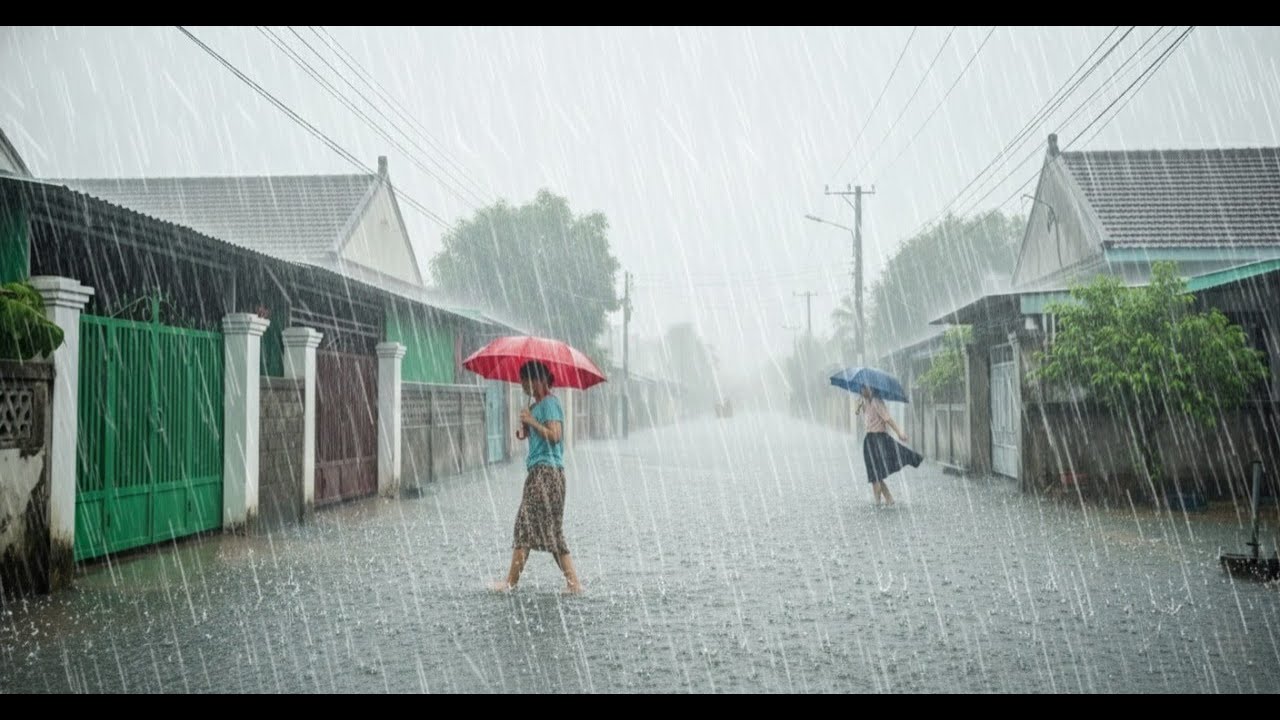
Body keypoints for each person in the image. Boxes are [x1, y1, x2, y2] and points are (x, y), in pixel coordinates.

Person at [490, 361, 583, 594]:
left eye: (525, 381)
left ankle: (510, 583)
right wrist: (525, 430)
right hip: (542, 473)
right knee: (551, 530)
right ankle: (574, 584)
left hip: (547, 474)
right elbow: (539, 437)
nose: (523, 386)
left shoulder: (550, 403)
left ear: (537, 380)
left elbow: (555, 435)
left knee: (525, 525)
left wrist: (532, 421)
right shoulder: (536, 405)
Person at [856, 385, 921, 507]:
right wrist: (859, 407)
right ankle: (888, 498)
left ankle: (878, 502)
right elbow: (863, 418)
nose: (861, 391)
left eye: (863, 389)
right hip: (869, 440)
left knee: (876, 473)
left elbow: (888, 419)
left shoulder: (877, 401)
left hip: (879, 439)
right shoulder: (865, 402)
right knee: (874, 473)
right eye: (860, 389)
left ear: (869, 389)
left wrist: (899, 432)